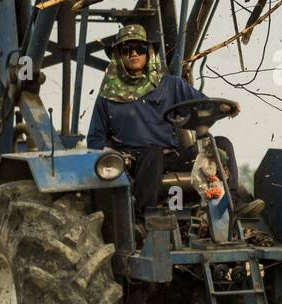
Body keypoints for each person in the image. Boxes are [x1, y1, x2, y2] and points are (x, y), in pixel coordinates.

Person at [86, 24, 252, 213]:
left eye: (139, 49)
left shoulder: (169, 85)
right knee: (152, 152)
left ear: (148, 52)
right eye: (126, 49)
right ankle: (143, 217)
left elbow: (203, 104)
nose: (134, 54)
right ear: (118, 55)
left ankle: (233, 206)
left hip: (172, 157)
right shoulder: (107, 97)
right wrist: (114, 159)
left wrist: (224, 107)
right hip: (132, 161)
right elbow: (95, 140)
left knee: (221, 144)